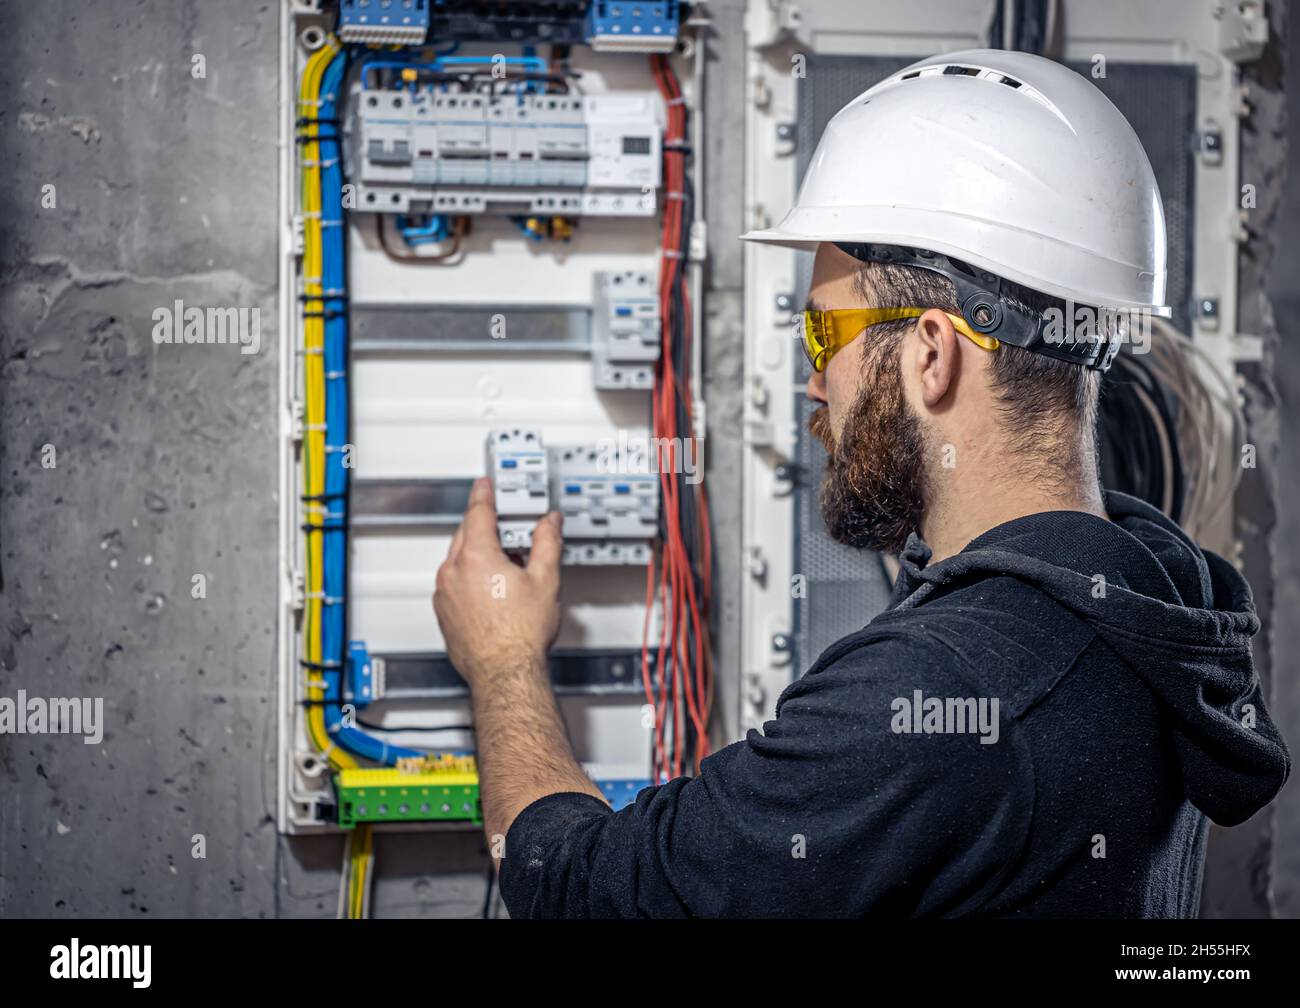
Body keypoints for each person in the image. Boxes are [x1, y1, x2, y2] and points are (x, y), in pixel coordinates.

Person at [432, 49, 1290, 917]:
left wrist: (502, 661)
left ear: (930, 353)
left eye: (821, 339)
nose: (813, 383)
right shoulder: (1151, 596)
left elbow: (586, 896)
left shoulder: (945, 691)